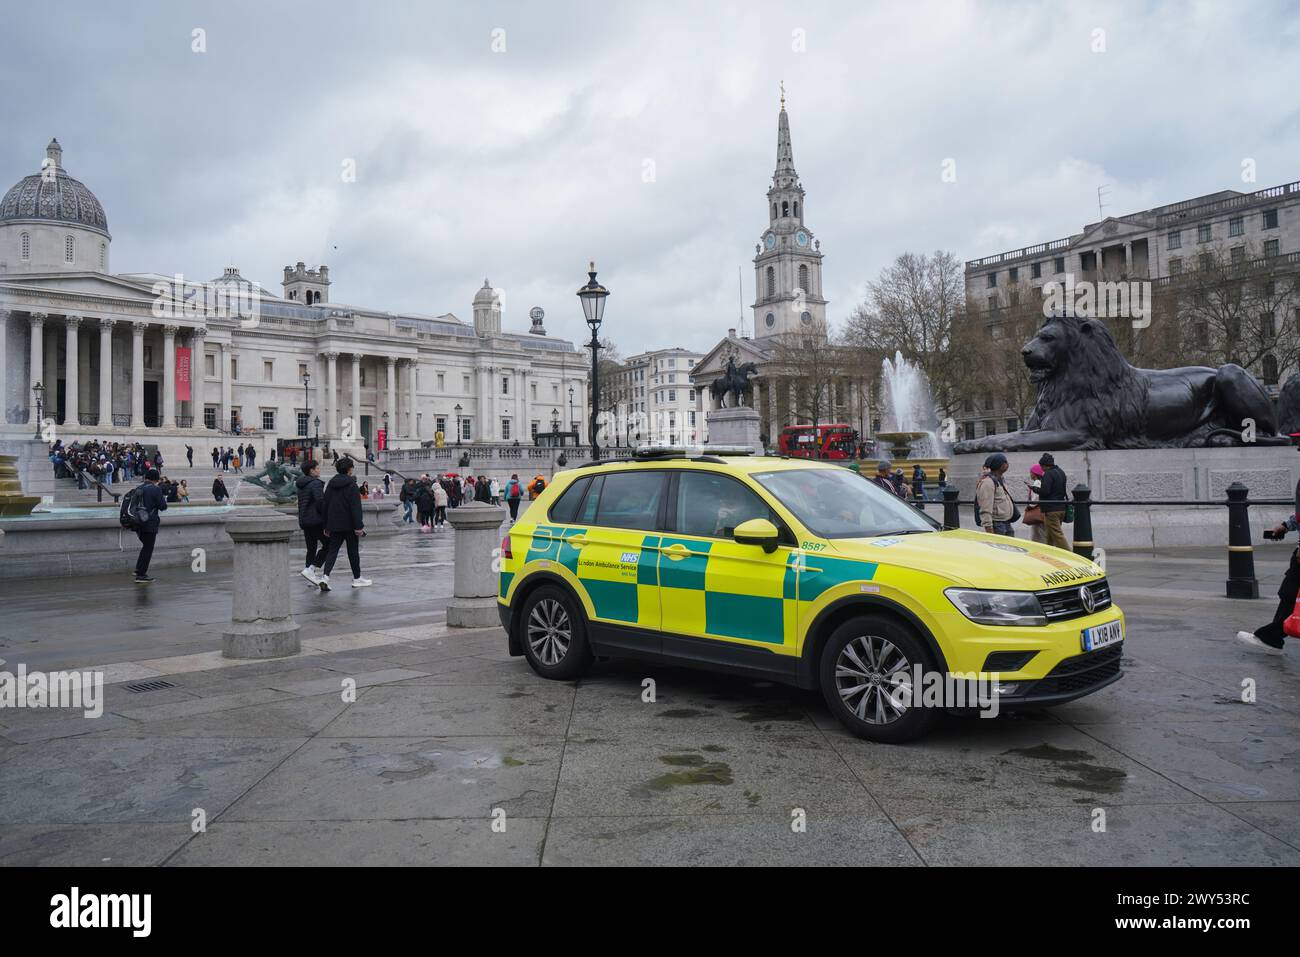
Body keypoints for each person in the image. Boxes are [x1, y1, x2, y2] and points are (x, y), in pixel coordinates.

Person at [318, 457, 371, 590]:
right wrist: (358, 526)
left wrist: (326, 525)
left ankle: (325, 576)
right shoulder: (352, 485)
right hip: (349, 525)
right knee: (353, 552)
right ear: (349, 469)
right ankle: (357, 578)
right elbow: (355, 507)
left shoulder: (331, 484)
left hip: (334, 524)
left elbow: (325, 505)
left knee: (332, 551)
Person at [133, 468, 168, 584]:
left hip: (138, 522)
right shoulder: (155, 489)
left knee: (145, 546)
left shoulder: (138, 488)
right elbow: (163, 506)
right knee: (148, 548)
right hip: (150, 522)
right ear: (156, 479)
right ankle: (141, 575)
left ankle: (138, 570)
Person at [296, 459, 327, 585]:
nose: (319, 470)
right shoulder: (315, 484)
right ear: (311, 471)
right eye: (317, 468)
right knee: (329, 545)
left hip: (305, 520)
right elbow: (320, 502)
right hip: (316, 520)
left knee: (311, 548)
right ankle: (311, 569)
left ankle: (309, 575)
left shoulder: (301, 484)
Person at [976, 452, 1017, 536]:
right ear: (1001, 465)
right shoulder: (988, 482)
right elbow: (985, 508)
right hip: (997, 525)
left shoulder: (1000, 479)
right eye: (1005, 462)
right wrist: (989, 530)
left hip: (1006, 523)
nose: (1007, 464)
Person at [1037, 453, 1070, 550]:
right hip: (1061, 508)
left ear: (1044, 465)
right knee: (1050, 534)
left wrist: (1035, 489)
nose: (1041, 469)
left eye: (1041, 466)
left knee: (1057, 534)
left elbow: (1045, 491)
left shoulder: (1048, 474)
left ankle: (1070, 555)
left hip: (1051, 509)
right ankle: (1048, 554)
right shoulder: (1061, 472)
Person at [1024, 463, 1047, 544]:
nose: (1030, 474)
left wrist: (1030, 506)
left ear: (1035, 473)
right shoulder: (1042, 481)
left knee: (1038, 535)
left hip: (1038, 512)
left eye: (1031, 472)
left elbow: (1036, 498)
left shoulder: (1037, 483)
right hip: (1042, 511)